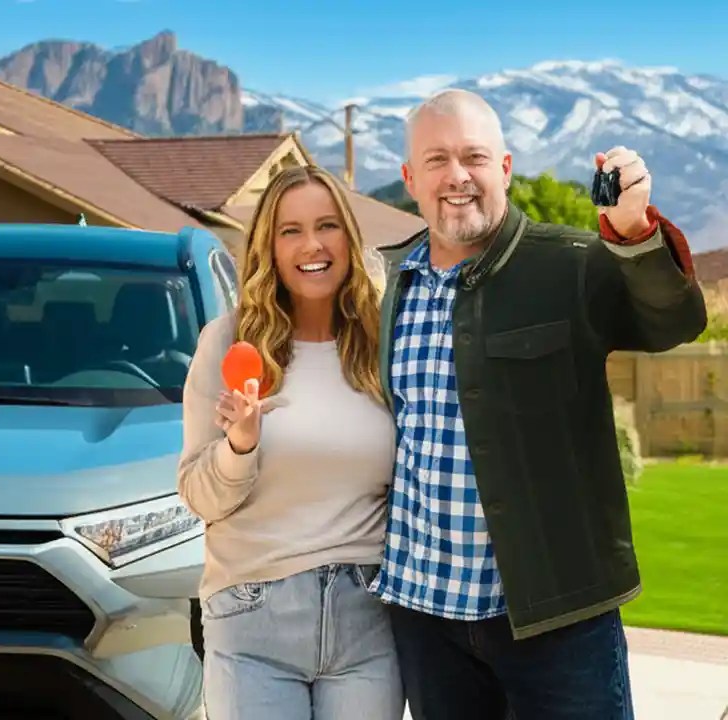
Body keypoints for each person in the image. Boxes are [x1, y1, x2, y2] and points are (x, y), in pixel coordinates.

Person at [369, 88, 707, 720]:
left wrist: (633, 230)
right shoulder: (391, 286)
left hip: (558, 621)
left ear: (504, 168)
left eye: (474, 156)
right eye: (437, 160)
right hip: (425, 620)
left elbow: (673, 320)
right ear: (410, 177)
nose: (457, 176)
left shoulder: (570, 263)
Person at [177, 165, 403, 719]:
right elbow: (199, 497)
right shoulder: (230, 343)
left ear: (348, 237)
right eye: (290, 231)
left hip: (368, 617)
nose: (312, 245)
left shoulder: (383, 342)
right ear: (270, 248)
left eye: (326, 226)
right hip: (253, 616)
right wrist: (240, 446)